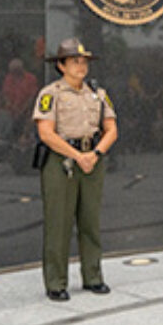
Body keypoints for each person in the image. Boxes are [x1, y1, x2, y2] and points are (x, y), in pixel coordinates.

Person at [32, 38, 118, 301]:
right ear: (61, 65)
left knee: (90, 220)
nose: (81, 67)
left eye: (83, 62)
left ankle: (93, 276)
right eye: (74, 62)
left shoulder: (98, 93)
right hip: (62, 161)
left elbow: (112, 129)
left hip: (92, 159)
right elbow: (46, 133)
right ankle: (56, 282)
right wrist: (77, 156)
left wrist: (95, 153)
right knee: (59, 222)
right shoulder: (51, 94)